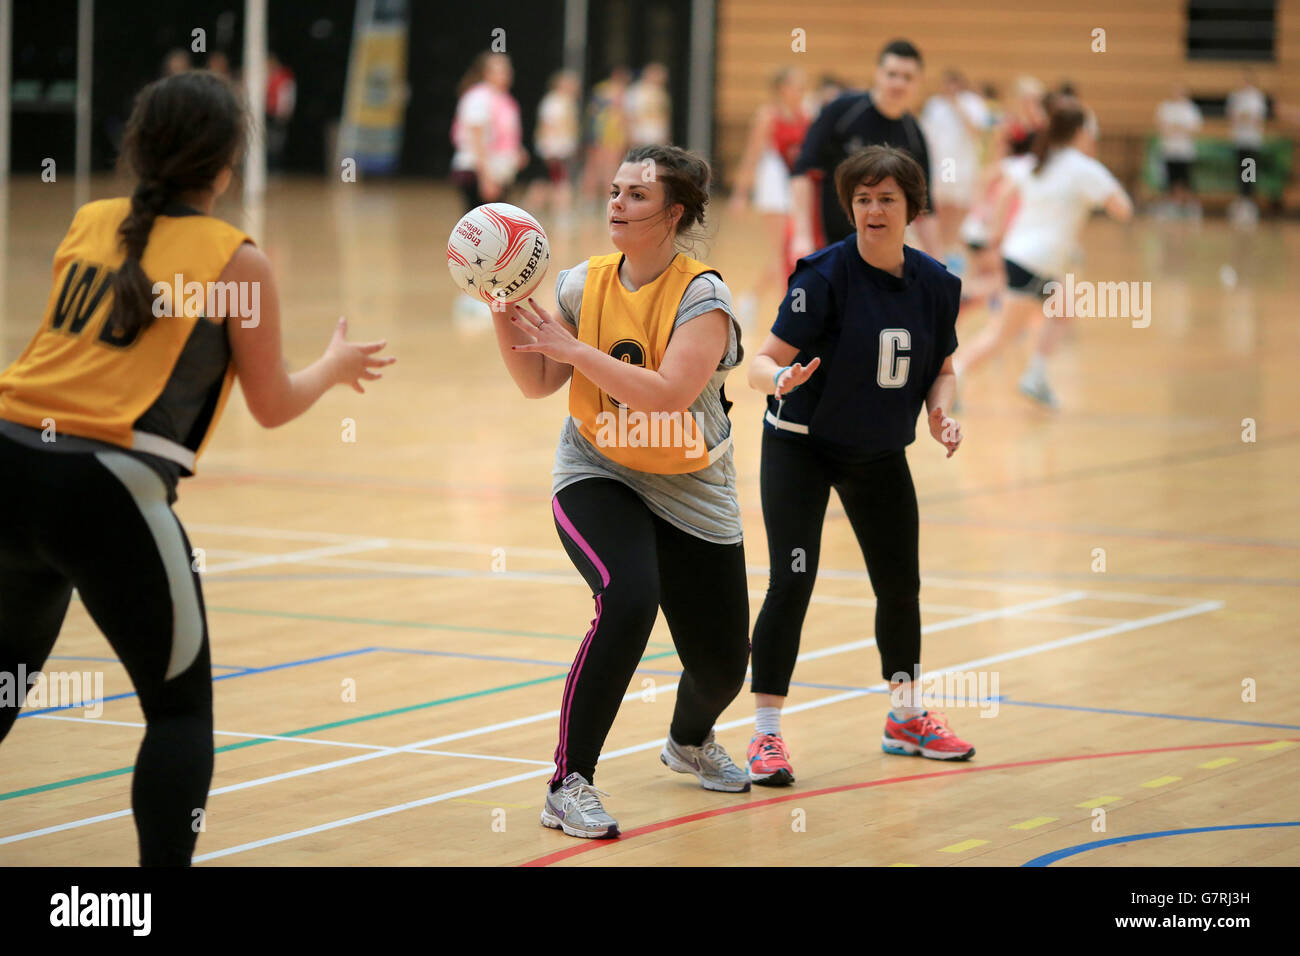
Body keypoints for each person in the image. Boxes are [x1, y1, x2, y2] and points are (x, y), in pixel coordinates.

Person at [0, 71, 393, 865]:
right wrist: (333, 364)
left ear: (136, 146)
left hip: (5, 459)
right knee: (178, 716)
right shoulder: (235, 260)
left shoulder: (88, 221)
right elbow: (273, 402)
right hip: (103, 484)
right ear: (227, 164)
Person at [491, 145, 751, 838]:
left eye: (636, 195)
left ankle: (688, 740)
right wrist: (501, 302)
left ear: (674, 214)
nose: (615, 203)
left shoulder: (705, 298)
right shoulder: (583, 284)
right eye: (613, 190)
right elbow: (536, 384)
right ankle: (568, 782)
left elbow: (668, 397)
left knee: (725, 666)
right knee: (628, 597)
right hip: (597, 471)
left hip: (693, 489)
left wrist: (574, 351)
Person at [744, 146, 968, 787]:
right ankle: (765, 735)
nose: (873, 210)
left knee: (901, 586)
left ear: (912, 208)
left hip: (877, 451)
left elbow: (942, 370)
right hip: (801, 445)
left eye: (886, 199)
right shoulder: (822, 278)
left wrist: (939, 413)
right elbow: (761, 361)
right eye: (863, 199)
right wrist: (781, 377)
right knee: (794, 580)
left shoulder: (936, 285)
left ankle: (905, 716)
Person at [954, 96, 1132, 408]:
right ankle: (953, 376)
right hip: (1035, 262)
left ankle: (1035, 376)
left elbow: (1006, 191)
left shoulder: (1040, 161)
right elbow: (1124, 210)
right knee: (1002, 335)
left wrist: (996, 235)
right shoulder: (1084, 169)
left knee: (1063, 309)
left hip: (1025, 257)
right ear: (1080, 132)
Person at [790, 39, 940, 260]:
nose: (899, 83)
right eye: (892, 74)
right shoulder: (841, 111)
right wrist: (801, 235)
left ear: (919, 82)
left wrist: (939, 264)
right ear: (878, 74)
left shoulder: (914, 135)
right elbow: (802, 171)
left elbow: (926, 209)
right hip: (828, 242)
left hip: (880, 250)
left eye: (907, 77)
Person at [729, 66, 811, 323]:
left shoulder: (805, 115)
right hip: (773, 186)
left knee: (790, 253)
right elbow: (752, 156)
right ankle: (786, 312)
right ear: (782, 89)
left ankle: (751, 298)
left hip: (795, 187)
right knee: (780, 253)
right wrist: (740, 194)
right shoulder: (767, 116)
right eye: (796, 86)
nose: (800, 91)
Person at [920, 70, 990, 260]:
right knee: (941, 206)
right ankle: (939, 250)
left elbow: (977, 130)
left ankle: (951, 251)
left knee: (960, 209)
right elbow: (926, 135)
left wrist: (957, 106)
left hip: (964, 163)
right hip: (944, 164)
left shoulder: (973, 103)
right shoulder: (935, 104)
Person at [450, 52, 526, 210]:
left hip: (499, 172)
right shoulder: (478, 97)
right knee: (482, 229)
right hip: (478, 171)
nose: (506, 74)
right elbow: (476, 139)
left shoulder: (505, 99)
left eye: (507, 69)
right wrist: (486, 178)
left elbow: (506, 133)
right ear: (486, 72)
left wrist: (517, 151)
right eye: (500, 70)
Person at [1226, 69, 1268, 226]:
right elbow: (1233, 116)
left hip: (1252, 141)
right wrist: (1244, 117)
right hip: (1239, 140)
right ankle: (1241, 200)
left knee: (1249, 171)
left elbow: (1255, 118)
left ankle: (1249, 201)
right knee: (1240, 170)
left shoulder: (1256, 97)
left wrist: (1244, 117)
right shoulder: (1235, 97)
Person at [1155, 83, 1202, 219]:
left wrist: (1176, 128)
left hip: (1185, 151)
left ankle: (1186, 205)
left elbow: (1193, 129)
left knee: (1185, 180)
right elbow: (1163, 127)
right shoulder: (1165, 107)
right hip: (1169, 150)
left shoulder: (1190, 109)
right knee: (1170, 180)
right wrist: (1179, 128)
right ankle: (1172, 204)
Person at [625, 63, 671, 147]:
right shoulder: (635, 91)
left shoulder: (661, 92)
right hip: (640, 133)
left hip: (657, 134)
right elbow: (629, 113)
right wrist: (630, 133)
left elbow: (664, 113)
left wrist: (665, 132)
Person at [265, 52, 296, 171]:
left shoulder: (284, 76)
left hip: (279, 115)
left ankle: (276, 169)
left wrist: (285, 112)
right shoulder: (267, 76)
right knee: (269, 143)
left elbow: (288, 95)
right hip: (268, 114)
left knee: (276, 144)